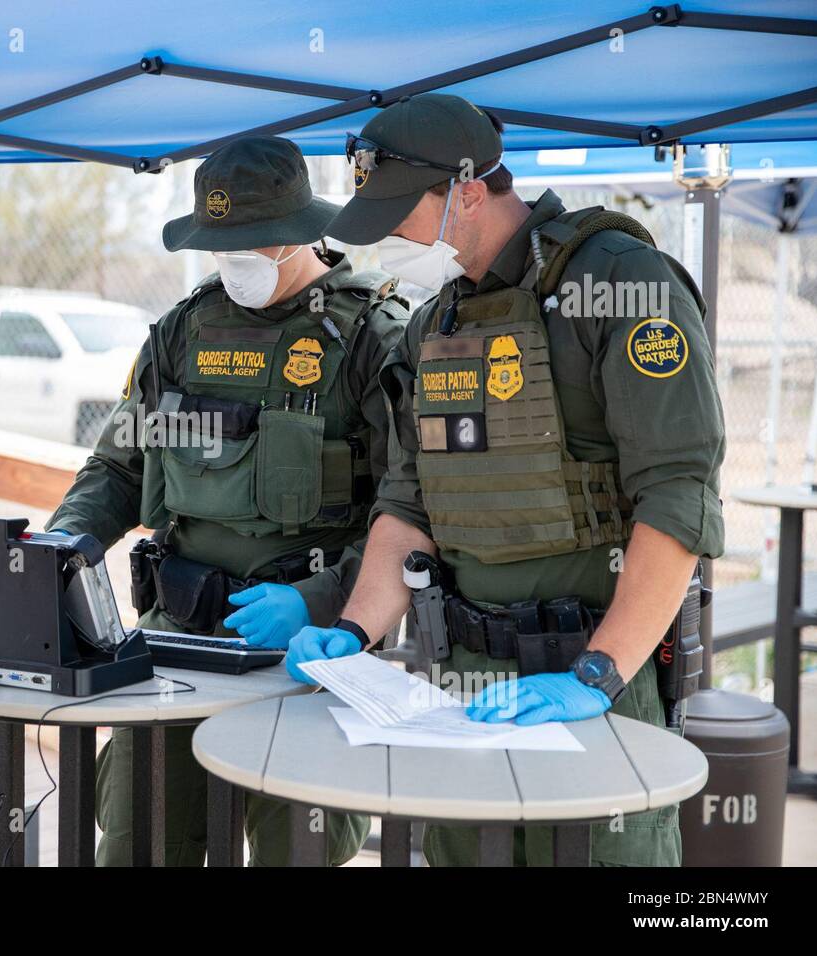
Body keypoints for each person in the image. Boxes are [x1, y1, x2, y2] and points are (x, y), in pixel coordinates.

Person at [286, 93, 725, 866]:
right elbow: (407, 500)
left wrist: (598, 673)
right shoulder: (435, 325)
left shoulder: (622, 286)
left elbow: (679, 495)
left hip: (598, 679)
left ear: (465, 192)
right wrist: (354, 633)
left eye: (398, 215)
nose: (386, 239)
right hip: (465, 692)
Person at [46, 135, 410, 865]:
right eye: (221, 243)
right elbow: (118, 467)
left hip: (306, 656)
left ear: (301, 231)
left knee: (293, 853)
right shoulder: (182, 331)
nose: (232, 258)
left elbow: (411, 509)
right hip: (176, 642)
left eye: (250, 242)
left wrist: (318, 601)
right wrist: (60, 547)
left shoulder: (373, 334)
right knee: (144, 844)